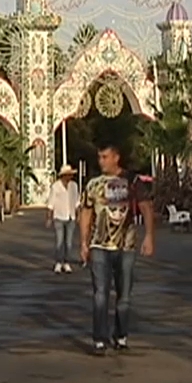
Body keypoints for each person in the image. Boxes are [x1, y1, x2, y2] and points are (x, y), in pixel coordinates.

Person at [78, 143, 155, 356]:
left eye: (105, 157)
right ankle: (99, 339)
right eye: (99, 157)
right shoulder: (93, 185)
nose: (101, 161)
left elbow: (146, 207)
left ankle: (120, 336)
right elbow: (85, 213)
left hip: (126, 246)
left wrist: (148, 236)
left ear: (116, 157)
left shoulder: (132, 181)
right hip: (99, 246)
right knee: (100, 294)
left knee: (124, 296)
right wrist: (83, 243)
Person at [45, 164, 80, 273]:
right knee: (59, 241)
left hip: (71, 216)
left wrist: (78, 215)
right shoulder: (56, 186)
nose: (70, 177)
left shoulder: (74, 186)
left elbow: (77, 202)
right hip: (59, 216)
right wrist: (49, 218)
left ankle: (66, 262)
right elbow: (51, 203)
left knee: (68, 242)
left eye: (71, 175)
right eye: (68, 175)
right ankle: (58, 262)